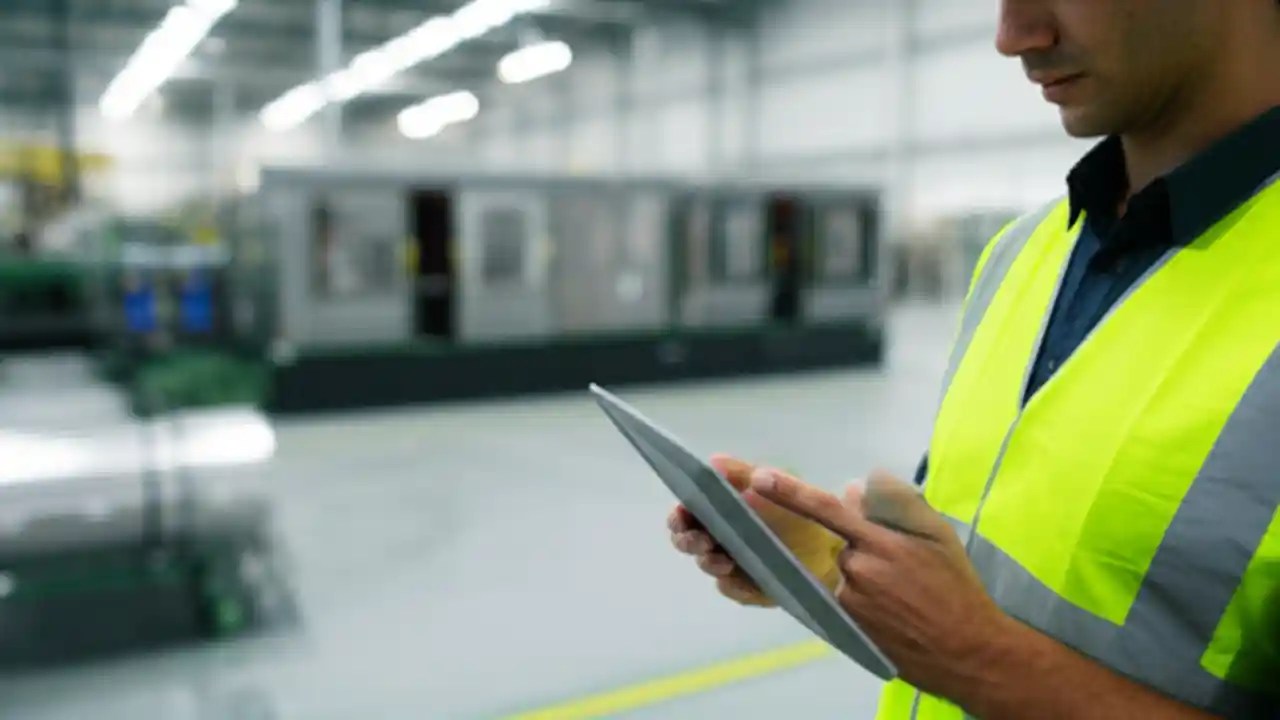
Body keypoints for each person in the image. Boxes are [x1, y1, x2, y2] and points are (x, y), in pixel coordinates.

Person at [668, 1, 1280, 718]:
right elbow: (995, 551)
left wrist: (981, 659)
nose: (1014, 36)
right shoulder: (1024, 252)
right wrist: (823, 556)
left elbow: (969, 640)